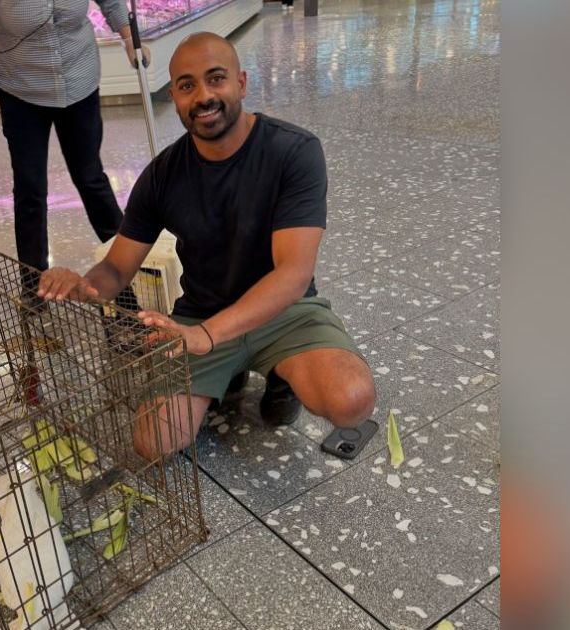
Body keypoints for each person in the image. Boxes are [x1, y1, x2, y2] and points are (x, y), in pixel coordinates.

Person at [36, 32, 376, 462]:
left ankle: (278, 374)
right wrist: (81, 285)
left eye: (216, 79)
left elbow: (293, 275)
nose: (203, 96)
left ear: (242, 83)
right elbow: (117, 270)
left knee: (351, 400)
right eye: (186, 85)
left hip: (283, 312)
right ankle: (225, 374)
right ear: (175, 98)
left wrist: (207, 337)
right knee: (154, 442)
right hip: (201, 313)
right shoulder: (162, 175)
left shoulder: (294, 151)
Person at [0, 0, 150, 278]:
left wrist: (129, 38)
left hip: (79, 78)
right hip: (20, 88)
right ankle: (33, 284)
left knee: (91, 178)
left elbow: (110, 1)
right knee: (30, 188)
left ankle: (126, 274)